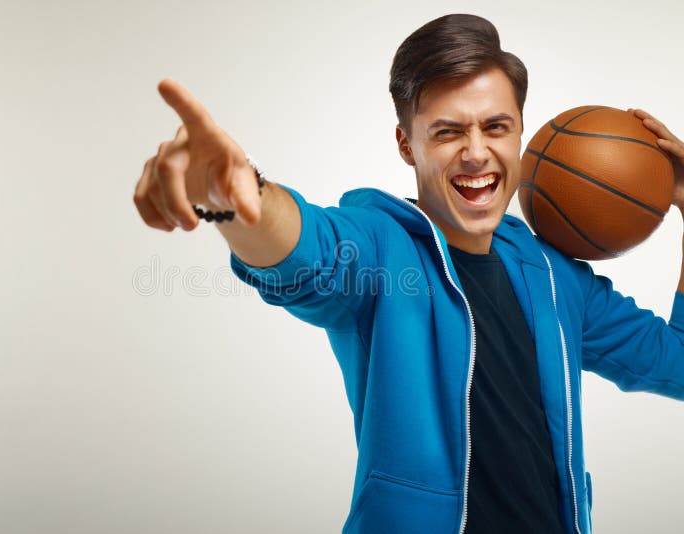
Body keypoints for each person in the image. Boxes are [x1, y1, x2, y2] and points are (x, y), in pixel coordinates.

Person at [133, 13, 684, 534]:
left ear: (521, 136)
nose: (476, 153)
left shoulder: (554, 275)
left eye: (496, 126)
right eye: (447, 132)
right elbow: (310, 252)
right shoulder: (382, 248)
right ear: (406, 144)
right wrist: (240, 195)